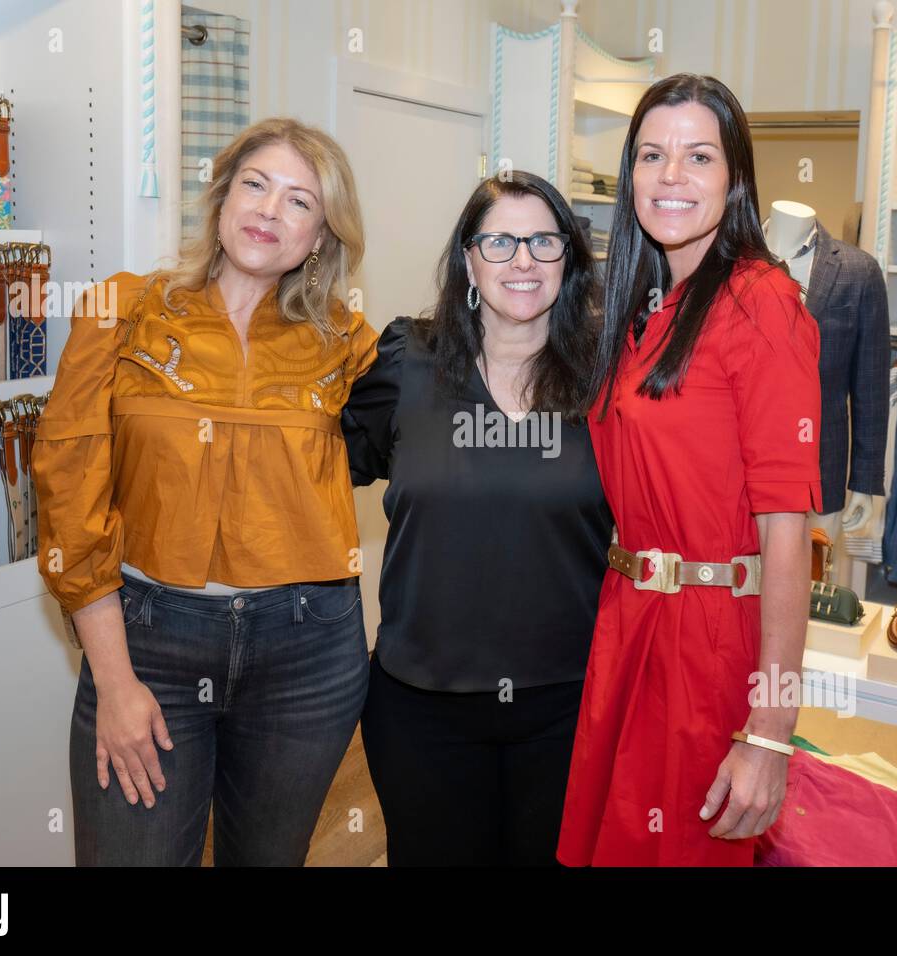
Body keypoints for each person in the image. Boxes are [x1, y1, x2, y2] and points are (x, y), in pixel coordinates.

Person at [34, 117, 378, 865]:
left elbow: (432, 421)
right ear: (221, 199)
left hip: (309, 645)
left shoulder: (346, 343)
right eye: (255, 185)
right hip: (148, 642)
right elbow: (67, 494)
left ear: (321, 235)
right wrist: (115, 680)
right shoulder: (122, 311)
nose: (268, 210)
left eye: (299, 201)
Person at [557, 74, 823, 866]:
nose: (671, 176)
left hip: (708, 645)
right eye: (651, 155)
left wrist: (771, 731)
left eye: (698, 155)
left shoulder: (762, 305)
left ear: (735, 178)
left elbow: (788, 536)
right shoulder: (643, 309)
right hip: (629, 624)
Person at [342, 171, 613, 865]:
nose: (522, 260)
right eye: (499, 241)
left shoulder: (608, 383)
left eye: (543, 241)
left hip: (566, 706)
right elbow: (323, 471)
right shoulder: (406, 361)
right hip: (422, 708)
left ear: (569, 259)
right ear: (468, 258)